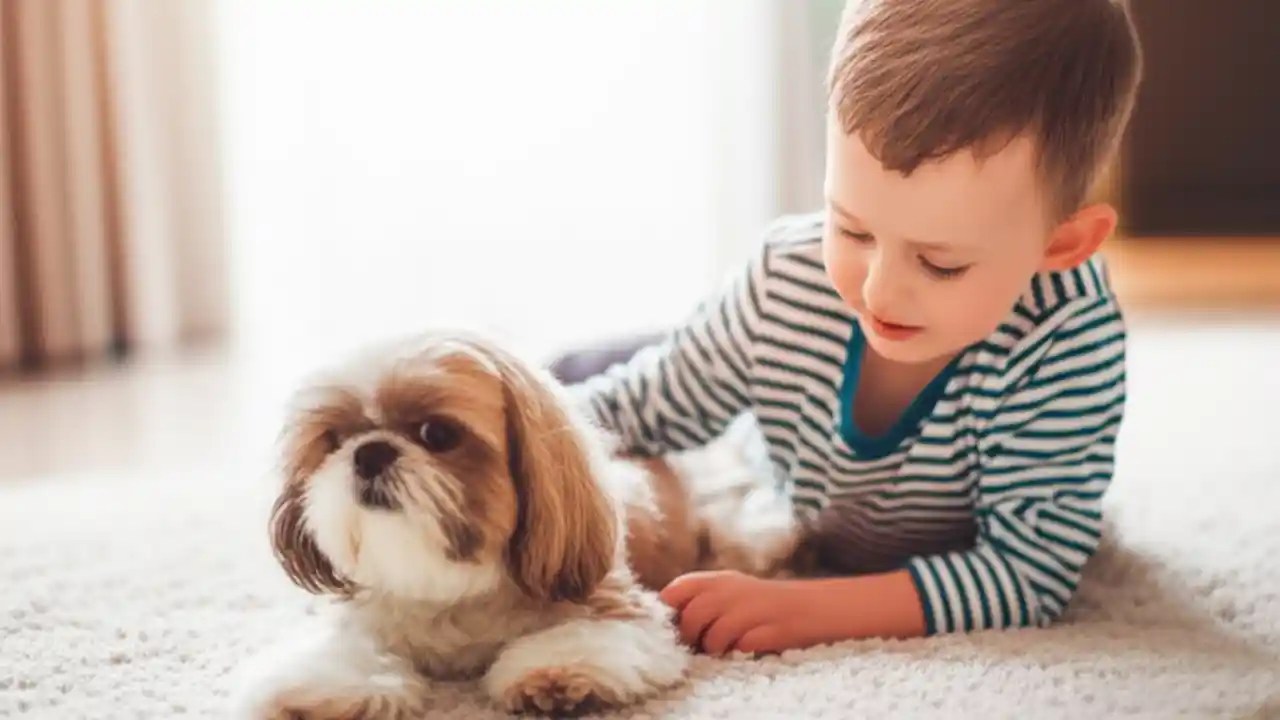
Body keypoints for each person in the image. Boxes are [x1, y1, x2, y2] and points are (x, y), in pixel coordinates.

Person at [569, 0, 1143, 655]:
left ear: (1062, 245)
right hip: (742, 409)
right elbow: (644, 408)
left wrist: (805, 608)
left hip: (868, 506)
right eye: (852, 228)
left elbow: (1029, 574)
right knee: (582, 377)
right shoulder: (787, 280)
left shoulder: (1064, 339)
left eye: (940, 263)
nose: (878, 290)